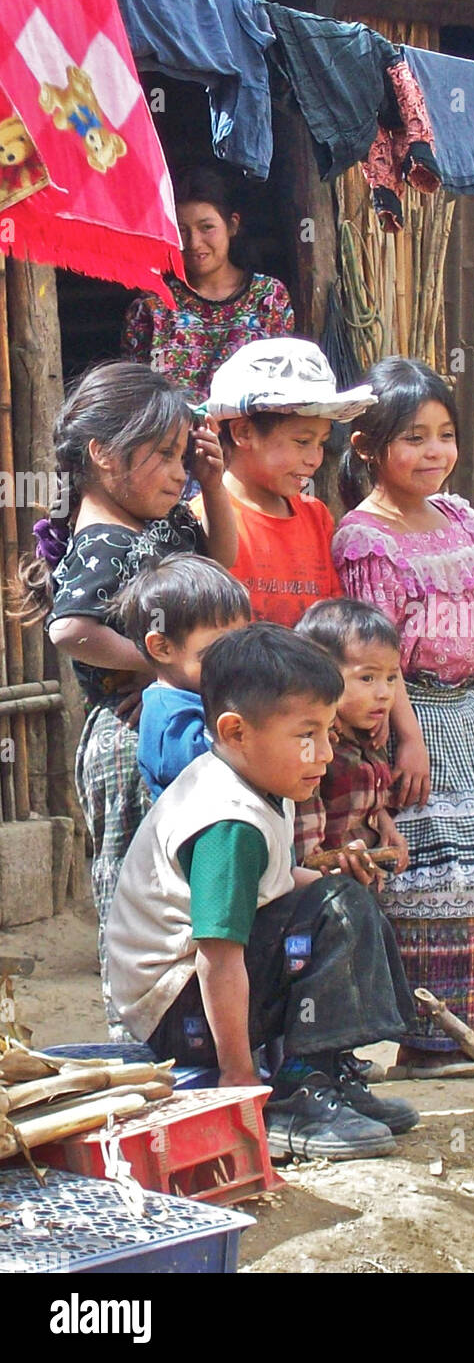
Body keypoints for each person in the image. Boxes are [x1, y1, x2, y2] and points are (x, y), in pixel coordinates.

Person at [106, 623, 420, 1162]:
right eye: (307, 735)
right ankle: (297, 1094)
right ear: (235, 732)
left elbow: (273, 887)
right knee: (338, 910)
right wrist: (237, 1077)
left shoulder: (255, 781)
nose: (324, 753)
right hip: (181, 1014)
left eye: (327, 732)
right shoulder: (228, 823)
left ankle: (324, 1074)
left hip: (198, 1003)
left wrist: (330, 882)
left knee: (339, 896)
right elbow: (217, 956)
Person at [332, 356, 474, 1073]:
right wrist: (406, 739)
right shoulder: (364, 538)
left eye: (445, 435)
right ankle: (432, 1044)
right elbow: (378, 649)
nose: (435, 452)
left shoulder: (459, 514)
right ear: (369, 447)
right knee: (437, 878)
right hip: (418, 717)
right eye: (414, 438)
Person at [18, 363, 237, 1036]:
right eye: (164, 456)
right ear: (103, 456)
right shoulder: (102, 542)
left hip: (175, 725)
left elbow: (222, 568)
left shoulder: (163, 525)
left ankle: (199, 1028)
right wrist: (157, 665)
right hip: (127, 737)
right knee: (140, 880)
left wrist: (216, 486)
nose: (179, 473)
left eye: (182, 456)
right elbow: (70, 628)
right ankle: (138, 1032)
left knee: (187, 876)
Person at [193, 337, 376, 627]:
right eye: (302, 442)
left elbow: (332, 620)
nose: (315, 459)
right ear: (243, 433)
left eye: (321, 443)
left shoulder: (316, 516)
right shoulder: (202, 518)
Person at [121, 166, 296, 405]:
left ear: (232, 225)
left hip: (246, 439)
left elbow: (282, 387)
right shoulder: (153, 306)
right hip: (173, 440)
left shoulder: (268, 297)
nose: (194, 243)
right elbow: (135, 397)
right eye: (182, 230)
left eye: (207, 228)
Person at [111, 552, 251, 799]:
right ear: (163, 648)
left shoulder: (207, 696)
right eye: (219, 648)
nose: (238, 657)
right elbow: (213, 781)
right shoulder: (169, 719)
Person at [293, 597, 409, 885]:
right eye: (368, 678)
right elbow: (305, 848)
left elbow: (369, 802)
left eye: (391, 678)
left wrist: (385, 827)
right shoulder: (316, 748)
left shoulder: (370, 731)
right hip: (322, 893)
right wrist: (331, 875)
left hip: (362, 880)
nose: (384, 693)